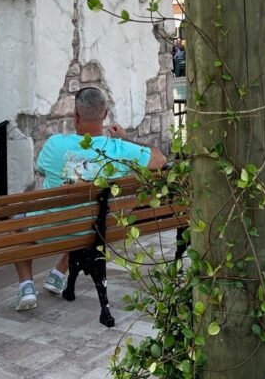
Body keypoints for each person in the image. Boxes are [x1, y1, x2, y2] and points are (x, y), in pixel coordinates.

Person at [11, 86, 167, 311]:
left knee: (21, 218)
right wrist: (127, 140)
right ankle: (57, 274)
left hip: (48, 232)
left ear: (75, 115)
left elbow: (42, 168)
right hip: (95, 232)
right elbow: (160, 159)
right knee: (85, 214)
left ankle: (26, 285)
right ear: (104, 116)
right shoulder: (119, 149)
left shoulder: (55, 144)